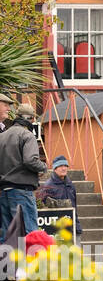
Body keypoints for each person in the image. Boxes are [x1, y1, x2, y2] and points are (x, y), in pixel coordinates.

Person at [0, 99, 48, 235]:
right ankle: (29, 257)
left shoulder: (2, 136)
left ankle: (6, 257)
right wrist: (43, 167)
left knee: (7, 235)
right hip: (21, 191)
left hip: (4, 192)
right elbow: (30, 160)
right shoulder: (27, 135)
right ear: (30, 119)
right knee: (29, 233)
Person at [35, 155, 81, 236]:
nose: (64, 168)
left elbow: (74, 207)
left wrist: (77, 226)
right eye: (60, 166)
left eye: (65, 166)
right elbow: (41, 209)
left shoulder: (70, 185)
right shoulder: (48, 186)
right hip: (56, 229)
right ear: (55, 168)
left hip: (72, 226)